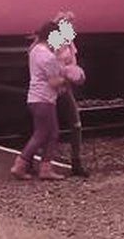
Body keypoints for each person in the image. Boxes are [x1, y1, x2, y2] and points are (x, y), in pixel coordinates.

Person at [11, 21, 68, 180]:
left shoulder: (35, 50)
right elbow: (53, 82)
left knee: (49, 133)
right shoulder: (48, 56)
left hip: (36, 98)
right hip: (44, 99)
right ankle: (21, 164)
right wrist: (69, 77)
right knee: (44, 133)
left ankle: (45, 168)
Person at [53, 11, 89, 177]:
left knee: (76, 124)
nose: (71, 26)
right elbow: (53, 64)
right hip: (54, 88)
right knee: (48, 127)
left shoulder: (69, 40)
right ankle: (33, 160)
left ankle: (77, 162)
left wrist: (74, 75)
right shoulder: (54, 41)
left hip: (65, 87)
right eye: (68, 22)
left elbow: (72, 61)